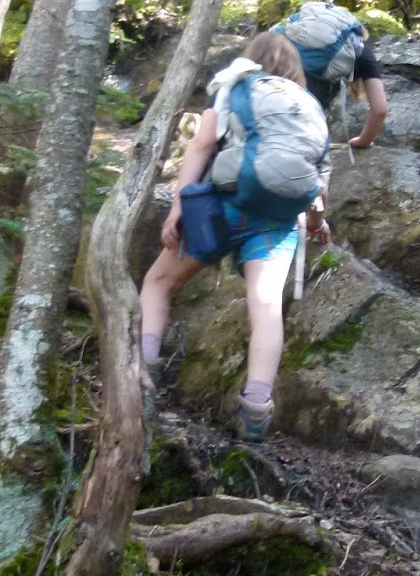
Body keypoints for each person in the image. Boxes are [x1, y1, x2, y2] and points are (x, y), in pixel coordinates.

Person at [139, 30, 332, 441]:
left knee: (158, 283)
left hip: (224, 208)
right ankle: (256, 411)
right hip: (277, 221)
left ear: (252, 57)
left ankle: (142, 382)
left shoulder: (234, 87)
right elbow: (316, 173)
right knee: (265, 307)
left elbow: (201, 145)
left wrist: (179, 205)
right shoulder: (308, 105)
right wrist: (317, 222)